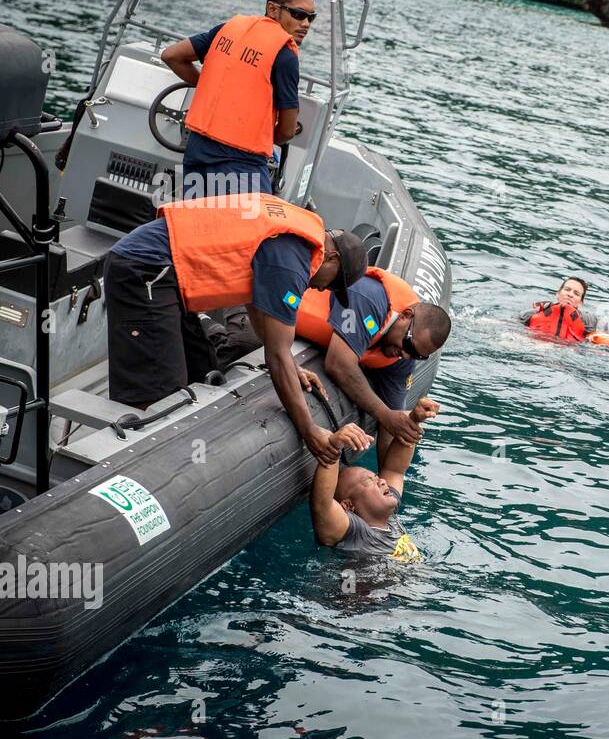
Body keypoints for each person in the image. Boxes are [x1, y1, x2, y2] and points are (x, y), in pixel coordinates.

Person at [104, 192, 367, 464]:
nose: (322, 288)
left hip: (170, 277)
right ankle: (133, 461)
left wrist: (291, 365)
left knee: (202, 368)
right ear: (332, 258)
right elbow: (276, 354)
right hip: (147, 270)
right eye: (333, 284)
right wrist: (309, 430)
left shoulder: (293, 237)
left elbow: (259, 303)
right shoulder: (293, 257)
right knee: (159, 392)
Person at [160, 0, 316, 198]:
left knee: (197, 223)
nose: (306, 24)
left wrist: (207, 85)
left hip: (197, 149)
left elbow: (171, 55)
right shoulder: (285, 55)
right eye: (299, 14)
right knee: (250, 231)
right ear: (272, 9)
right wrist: (260, 137)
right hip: (242, 163)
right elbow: (287, 131)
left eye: (311, 17)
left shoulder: (227, 30)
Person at [294, 268, 451, 460]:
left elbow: (392, 427)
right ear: (405, 316)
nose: (406, 355)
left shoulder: (402, 355)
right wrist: (384, 415)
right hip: (266, 314)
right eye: (408, 345)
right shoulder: (368, 297)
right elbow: (338, 364)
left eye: (417, 356)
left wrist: (388, 482)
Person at [309, 398, 439, 560]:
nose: (382, 481)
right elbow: (322, 505)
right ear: (349, 505)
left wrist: (413, 420)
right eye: (369, 481)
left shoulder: (389, 518)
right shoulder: (356, 534)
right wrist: (334, 446)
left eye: (376, 477)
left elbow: (395, 469)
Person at [520, 276, 609, 339]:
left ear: (580, 303)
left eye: (576, 293)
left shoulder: (589, 321)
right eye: (567, 289)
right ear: (558, 294)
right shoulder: (531, 314)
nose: (570, 294)